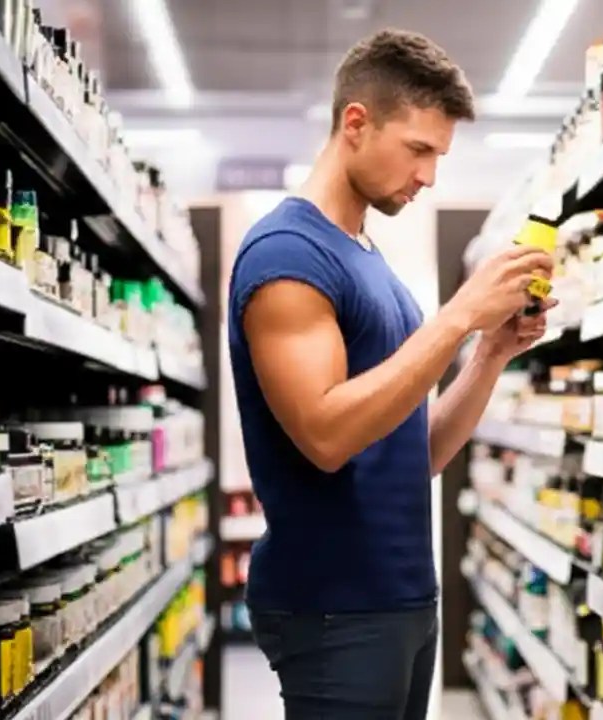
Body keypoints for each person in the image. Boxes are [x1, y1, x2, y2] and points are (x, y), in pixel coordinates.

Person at [227, 29, 555, 719]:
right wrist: (457, 317)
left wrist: (489, 353)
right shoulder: (288, 254)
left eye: (439, 153)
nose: (430, 175)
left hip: (401, 598)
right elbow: (325, 434)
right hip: (333, 608)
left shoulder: (367, 258)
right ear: (356, 123)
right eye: (419, 149)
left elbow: (414, 451)